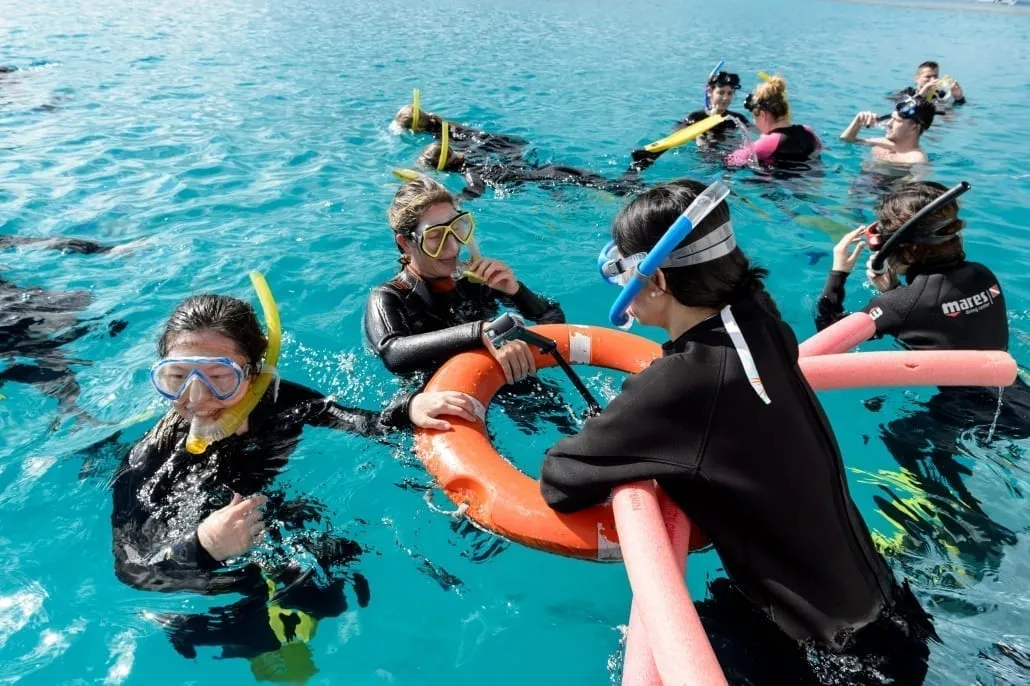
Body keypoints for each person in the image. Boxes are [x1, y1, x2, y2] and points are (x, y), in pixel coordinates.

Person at [538, 179, 936, 684]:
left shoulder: (682, 383)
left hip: (830, 658)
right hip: (889, 610)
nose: (620, 284)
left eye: (623, 270)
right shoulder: (760, 318)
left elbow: (559, 478)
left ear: (656, 279)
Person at [111, 290, 479, 677]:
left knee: (333, 573)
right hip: (198, 552)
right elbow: (131, 567)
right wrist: (203, 546)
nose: (197, 397)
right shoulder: (150, 460)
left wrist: (408, 410)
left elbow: (361, 421)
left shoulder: (283, 402)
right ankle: (257, 643)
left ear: (254, 373)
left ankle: (300, 623)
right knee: (237, 618)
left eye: (219, 377)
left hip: (267, 513)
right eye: (177, 378)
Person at [816, 182, 1029, 595]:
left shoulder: (901, 304)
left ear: (905, 249)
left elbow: (829, 336)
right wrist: (894, 293)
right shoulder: (985, 275)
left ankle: (951, 526)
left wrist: (838, 272)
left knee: (901, 434)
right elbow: (938, 311)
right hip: (1017, 397)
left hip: (966, 419)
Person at [1, 236, 128, 415]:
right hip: (22, 310)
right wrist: (105, 250)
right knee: (43, 344)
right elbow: (44, 242)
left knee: (38, 347)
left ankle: (74, 410)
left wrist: (104, 250)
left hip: (14, 313)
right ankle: (74, 409)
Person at [418, 142, 645, 200]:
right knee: (609, 184)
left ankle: (639, 169)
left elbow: (476, 190)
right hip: (551, 170)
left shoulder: (470, 173)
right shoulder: (476, 155)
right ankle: (639, 164)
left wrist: (457, 199)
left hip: (548, 178)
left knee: (616, 190)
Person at [629, 71, 749, 173]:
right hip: (703, 157)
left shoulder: (738, 118)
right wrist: (706, 125)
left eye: (730, 93)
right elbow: (674, 136)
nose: (725, 98)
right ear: (709, 91)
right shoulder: (696, 117)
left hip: (730, 158)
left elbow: (758, 133)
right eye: (721, 92)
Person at [725, 75, 822, 170]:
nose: (755, 122)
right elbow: (820, 150)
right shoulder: (808, 131)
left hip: (784, 185)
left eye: (755, 117)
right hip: (814, 181)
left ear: (763, 115)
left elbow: (733, 160)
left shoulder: (771, 141)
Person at [392, 101, 528, 160]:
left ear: (418, 128)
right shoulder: (443, 122)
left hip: (483, 147)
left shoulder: (436, 136)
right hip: (492, 138)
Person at [840, 97, 935, 166]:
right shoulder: (881, 143)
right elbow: (846, 141)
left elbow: (917, 189)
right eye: (891, 118)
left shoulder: (916, 160)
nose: (889, 124)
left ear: (914, 128)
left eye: (897, 120)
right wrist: (857, 123)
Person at [892, 61, 965, 111]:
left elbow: (957, 108)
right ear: (916, 79)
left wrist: (958, 97)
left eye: (935, 76)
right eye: (928, 77)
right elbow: (903, 109)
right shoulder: (907, 93)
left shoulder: (940, 94)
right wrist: (921, 95)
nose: (932, 80)